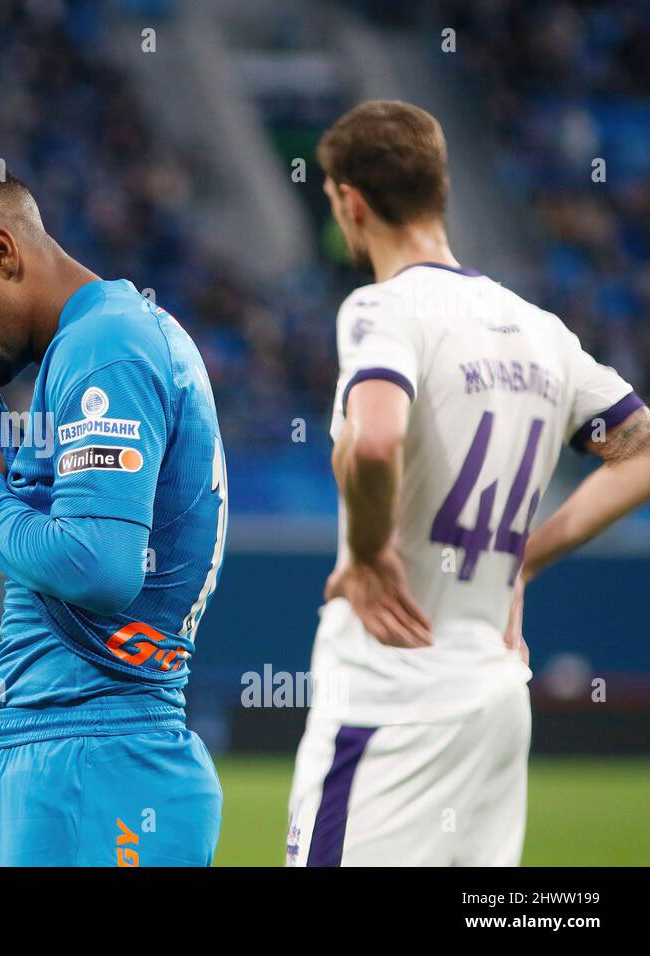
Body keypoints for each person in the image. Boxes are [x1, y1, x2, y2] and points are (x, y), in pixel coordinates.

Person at [287, 100, 648, 866]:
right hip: (492, 694)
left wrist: (366, 548)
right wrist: (526, 558)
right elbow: (641, 451)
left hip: (390, 698)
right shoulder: (539, 330)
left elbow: (378, 437)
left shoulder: (381, 310)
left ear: (349, 201)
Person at [0, 157, 227, 866]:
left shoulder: (105, 348)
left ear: (2, 252)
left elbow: (97, 566)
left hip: (96, 769)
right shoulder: (93, 344)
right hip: (75, 758)